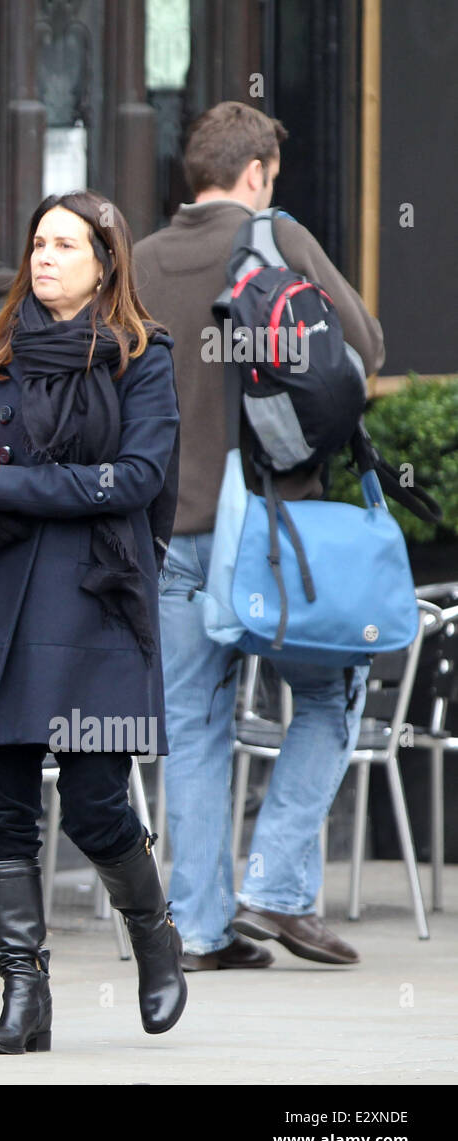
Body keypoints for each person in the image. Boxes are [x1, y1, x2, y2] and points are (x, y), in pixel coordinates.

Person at [0, 190, 186, 1053]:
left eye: (66, 244)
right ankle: (24, 994)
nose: (45, 257)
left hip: (100, 600)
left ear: (107, 262)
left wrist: (2, 487)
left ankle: (154, 933)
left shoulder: (144, 356)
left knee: (99, 805)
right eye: (36, 243)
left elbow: (135, 478)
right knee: (0, 809)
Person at [133, 102, 386, 970]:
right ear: (255, 174)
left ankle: (198, 931)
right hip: (275, 533)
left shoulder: (137, 261)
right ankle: (276, 887)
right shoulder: (278, 238)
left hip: (170, 533)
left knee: (194, 728)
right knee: (331, 693)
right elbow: (366, 346)